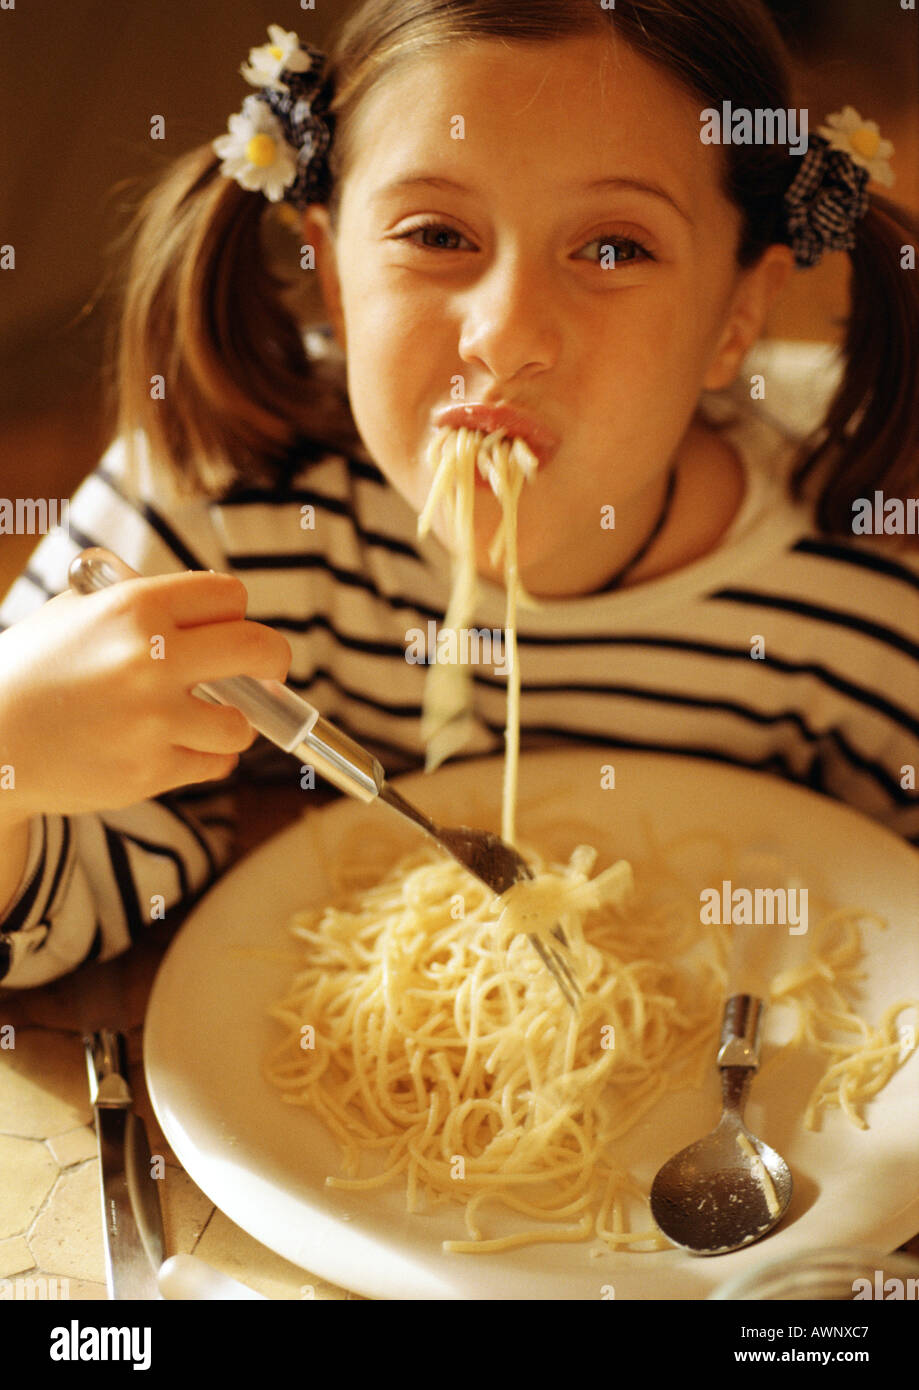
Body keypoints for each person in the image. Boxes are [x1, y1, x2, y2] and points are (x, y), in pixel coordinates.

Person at [0, 0, 917, 989]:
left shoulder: (861, 590)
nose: (505, 334)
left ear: (737, 316)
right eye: (437, 234)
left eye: (612, 249)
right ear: (338, 277)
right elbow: (73, 893)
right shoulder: (210, 514)